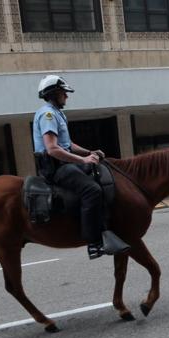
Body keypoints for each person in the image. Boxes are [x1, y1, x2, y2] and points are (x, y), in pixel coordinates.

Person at [33, 74, 112, 260]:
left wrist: (88, 152)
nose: (66, 96)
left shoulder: (58, 113)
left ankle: (105, 226)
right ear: (53, 94)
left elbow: (68, 144)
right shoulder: (48, 115)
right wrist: (83, 161)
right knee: (91, 190)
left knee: (99, 174)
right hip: (56, 168)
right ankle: (93, 242)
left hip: (65, 162)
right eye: (63, 93)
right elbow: (52, 149)